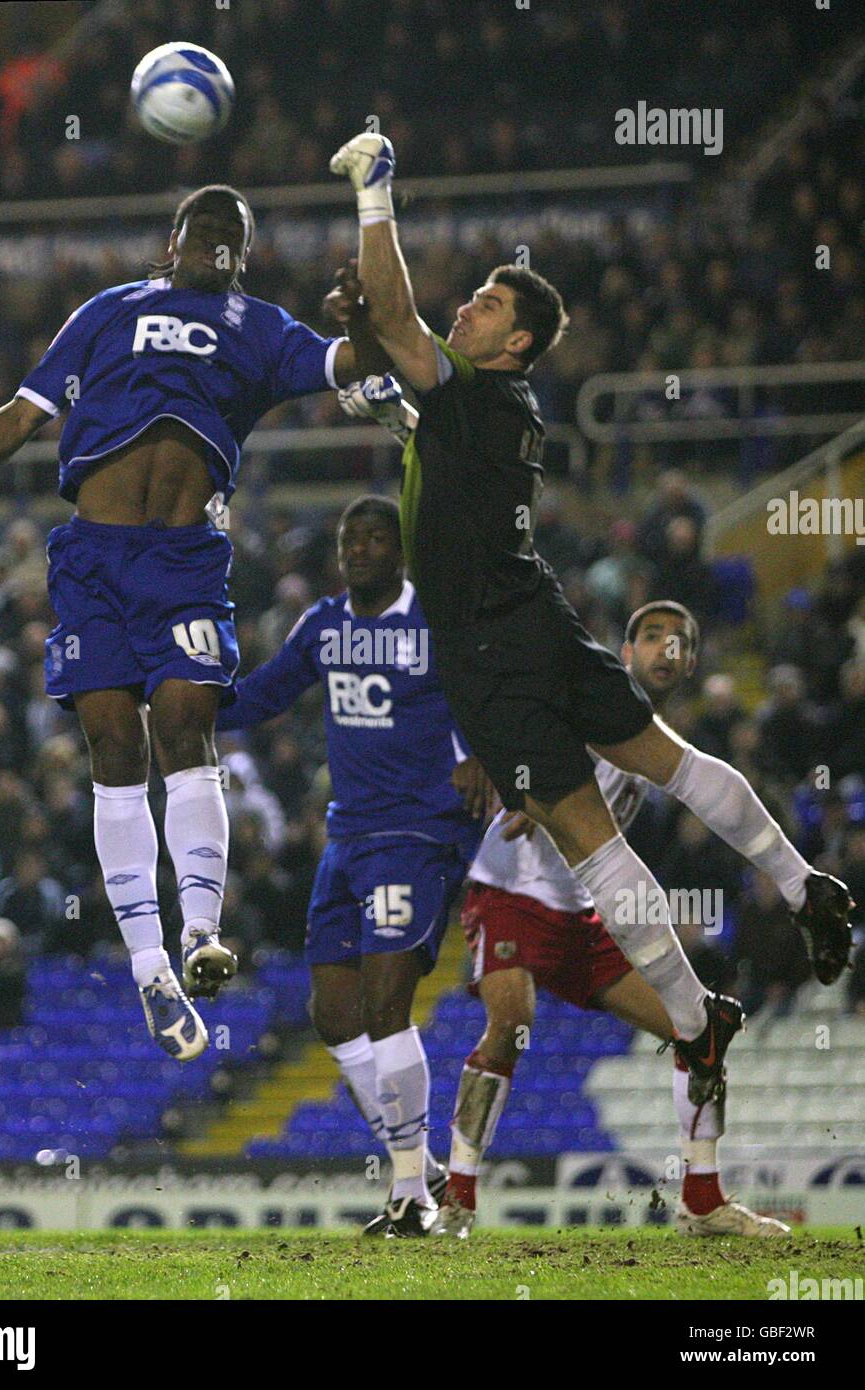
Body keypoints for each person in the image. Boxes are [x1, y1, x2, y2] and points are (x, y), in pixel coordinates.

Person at [326, 132, 853, 1108]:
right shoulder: (504, 405)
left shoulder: (468, 387)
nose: (467, 307)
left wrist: (376, 195)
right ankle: (804, 881)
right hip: (543, 615)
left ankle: (698, 1022)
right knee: (672, 760)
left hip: (491, 657)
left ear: (513, 341)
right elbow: (438, 434)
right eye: (474, 295)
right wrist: (392, 409)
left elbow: (393, 316)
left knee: (594, 842)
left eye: (487, 305)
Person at [0, 183, 379, 1063]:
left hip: (186, 560)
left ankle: (200, 933)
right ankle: (149, 966)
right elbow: (23, 412)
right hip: (92, 561)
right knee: (113, 746)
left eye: (236, 233)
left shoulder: (262, 329)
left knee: (187, 724)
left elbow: (354, 365)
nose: (219, 241)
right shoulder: (108, 311)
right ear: (174, 240)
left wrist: (364, 316)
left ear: (244, 255)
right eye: (206, 227)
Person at [430, 602, 789, 1240]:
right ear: (625, 654)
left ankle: (702, 1200)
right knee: (511, 1023)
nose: (666, 650)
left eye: (679, 641)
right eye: (652, 637)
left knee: (699, 1031)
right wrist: (499, 761)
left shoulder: (658, 741)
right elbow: (508, 698)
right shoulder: (587, 692)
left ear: (692, 664)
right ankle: (457, 1200)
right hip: (511, 887)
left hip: (583, 910)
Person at [216, 496, 492, 1235]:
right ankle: (422, 1167)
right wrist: (182, 707)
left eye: (376, 539)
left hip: (416, 833)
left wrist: (472, 759)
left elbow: (482, 696)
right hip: (346, 838)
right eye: (350, 540)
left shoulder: (432, 624)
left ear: (400, 553)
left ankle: (410, 1193)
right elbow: (265, 693)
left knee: (383, 1004)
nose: (361, 549)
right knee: (332, 1014)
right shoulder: (324, 624)